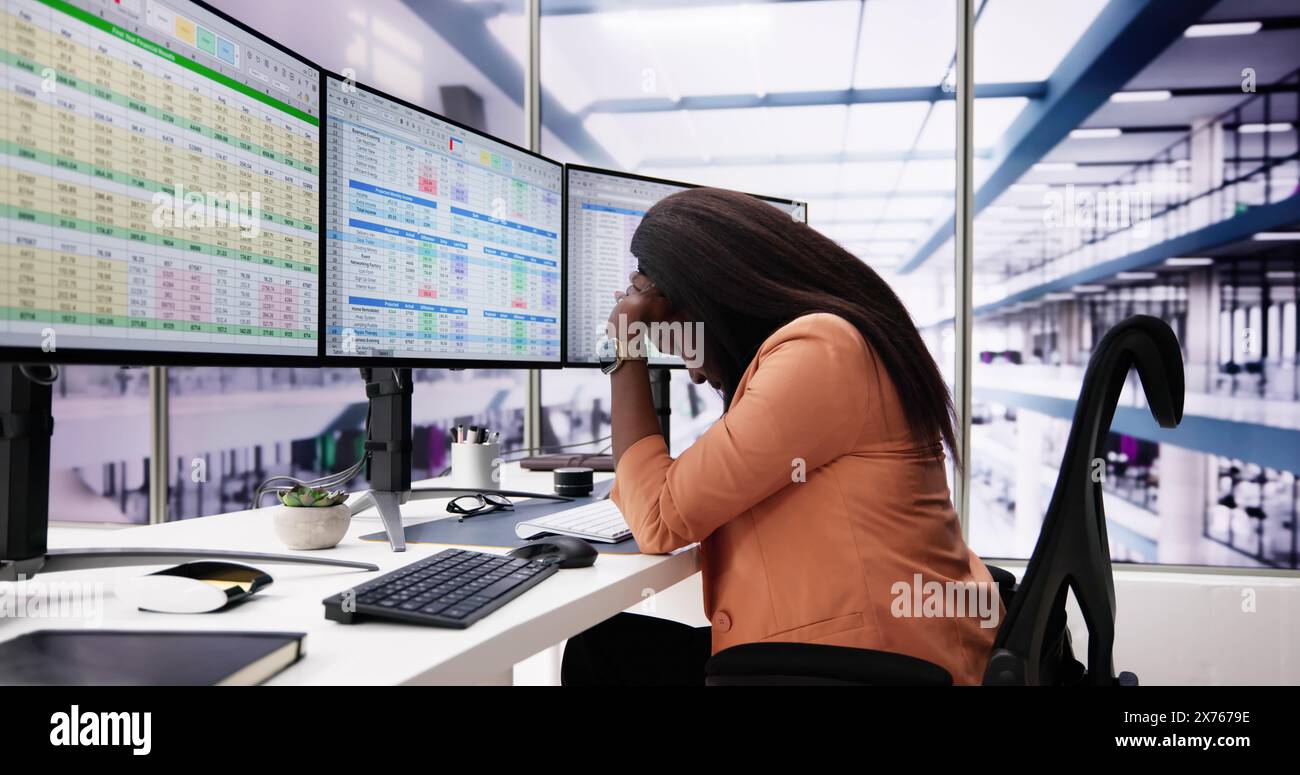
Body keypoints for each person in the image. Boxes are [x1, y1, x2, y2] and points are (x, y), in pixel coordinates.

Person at [561, 188, 1000, 686]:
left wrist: (623, 348)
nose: (688, 364)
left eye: (676, 337)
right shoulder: (836, 340)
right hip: (875, 651)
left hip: (869, 667)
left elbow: (658, 519)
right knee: (603, 646)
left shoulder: (821, 352)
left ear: (707, 300)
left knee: (600, 657)